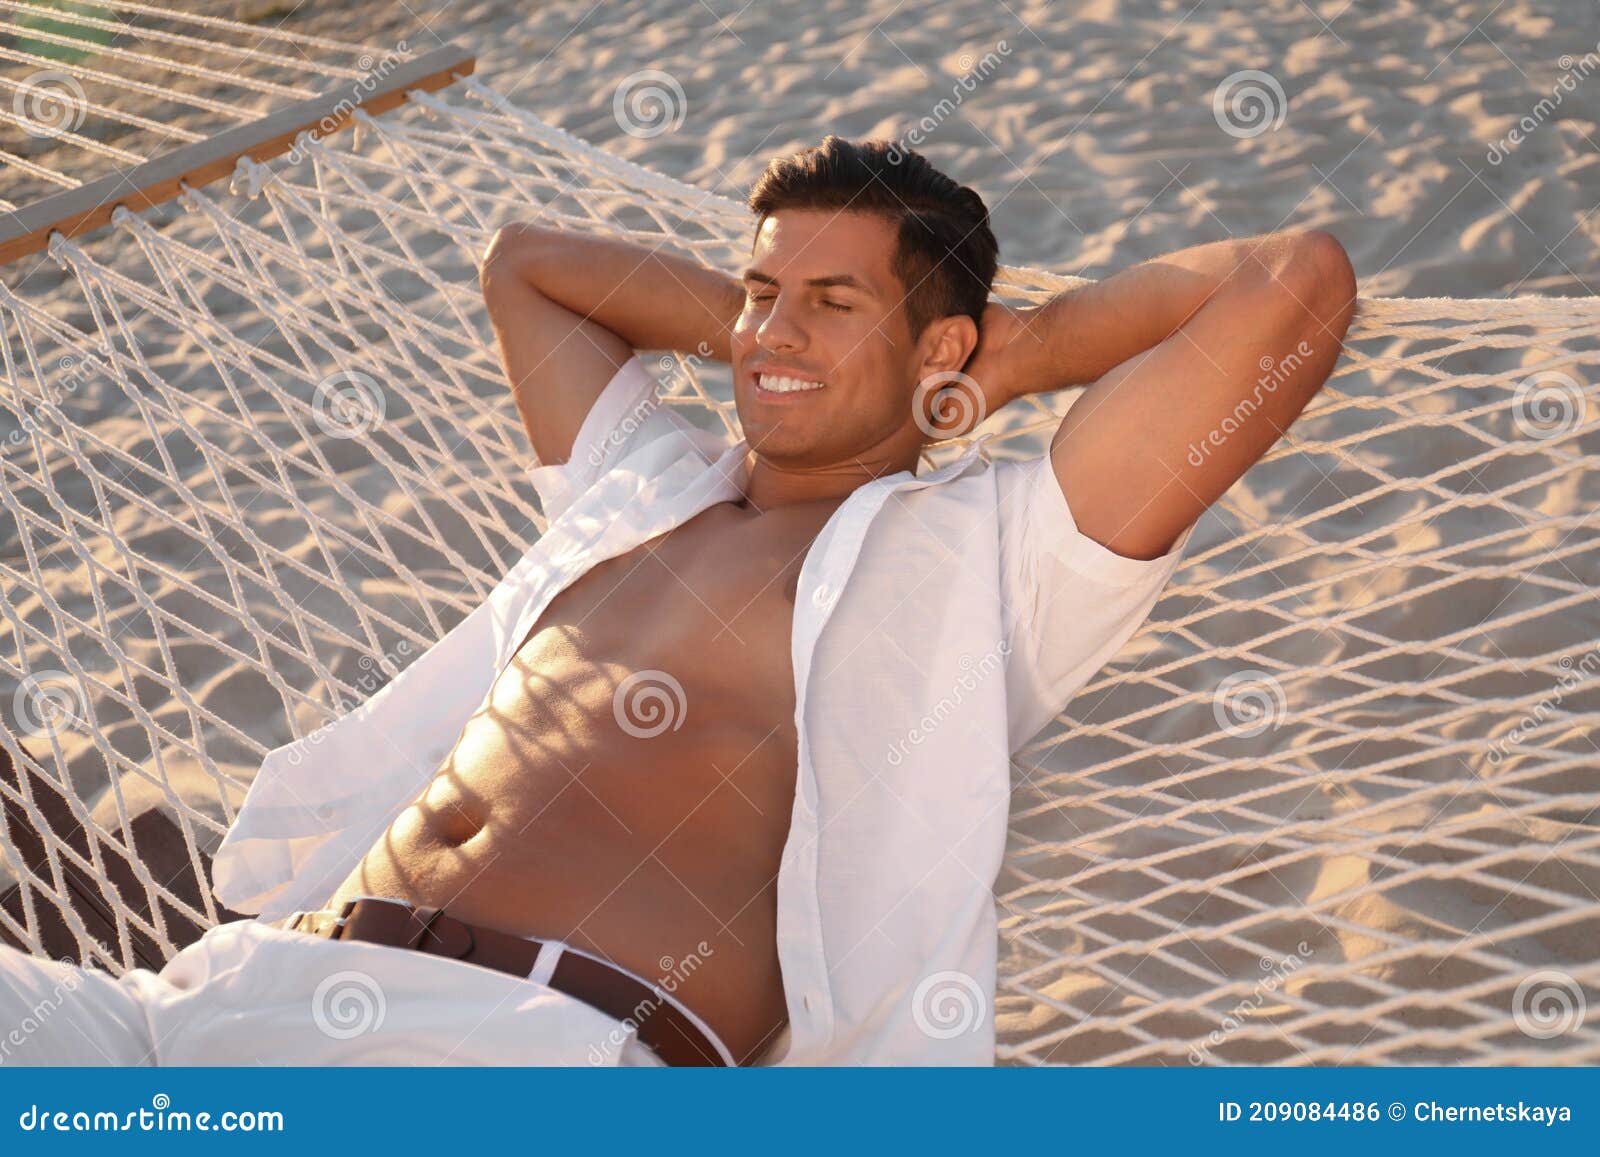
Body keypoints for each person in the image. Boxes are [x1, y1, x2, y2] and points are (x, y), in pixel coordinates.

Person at [0, 136, 1357, 1067]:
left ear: (942, 342)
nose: (770, 327)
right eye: (760, 290)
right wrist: (783, 330)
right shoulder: (645, 484)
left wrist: (1016, 356)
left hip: (519, 1055)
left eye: (834, 299)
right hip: (215, 1002)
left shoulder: (988, 560)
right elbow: (526, 264)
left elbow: (1291, 286)